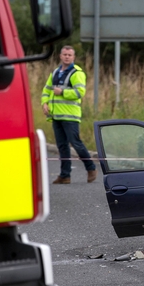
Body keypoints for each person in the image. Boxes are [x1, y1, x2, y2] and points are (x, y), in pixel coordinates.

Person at [41, 45, 97, 184]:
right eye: (64, 54)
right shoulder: (54, 73)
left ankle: (91, 168)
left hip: (70, 116)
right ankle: (65, 175)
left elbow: (80, 93)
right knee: (62, 146)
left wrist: (63, 92)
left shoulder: (77, 73)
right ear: (60, 56)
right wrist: (44, 103)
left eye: (69, 55)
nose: (67, 56)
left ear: (73, 57)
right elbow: (46, 90)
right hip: (56, 116)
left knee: (76, 144)